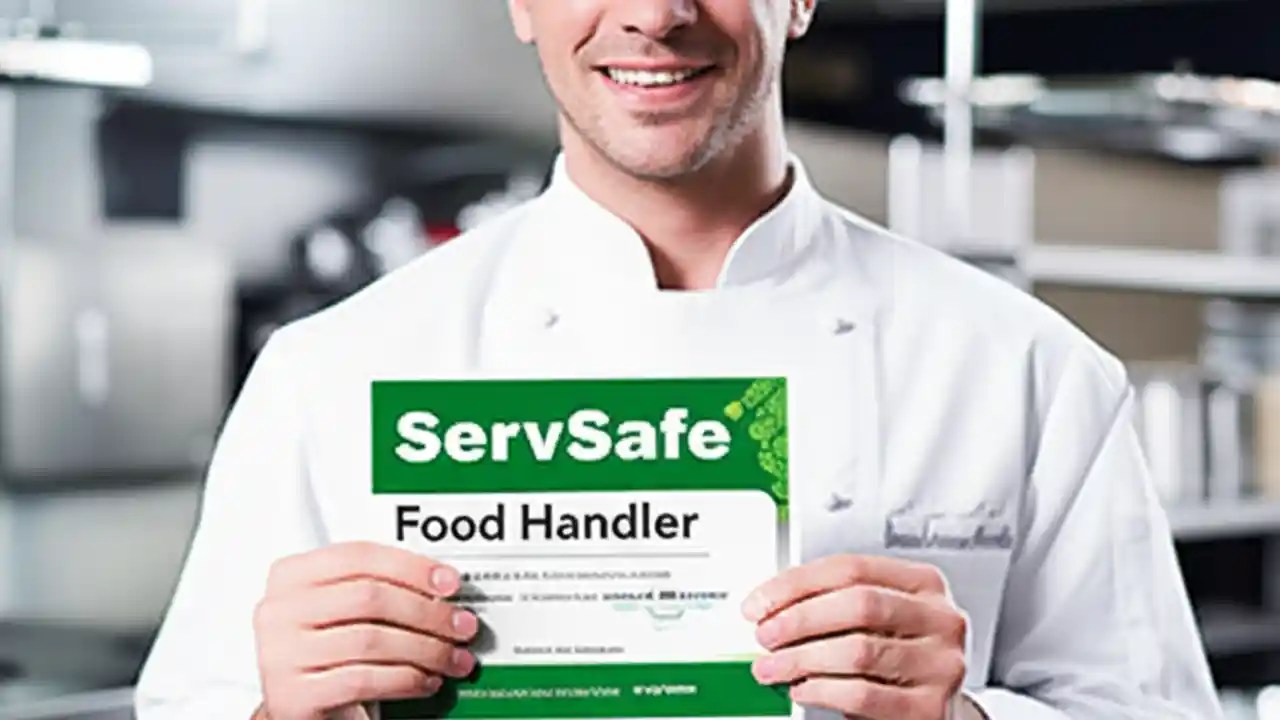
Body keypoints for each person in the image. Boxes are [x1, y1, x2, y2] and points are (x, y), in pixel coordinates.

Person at [134, 1, 1224, 719]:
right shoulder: (331, 372)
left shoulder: (1025, 369)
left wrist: (966, 714)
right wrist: (282, 711)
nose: (655, 15)